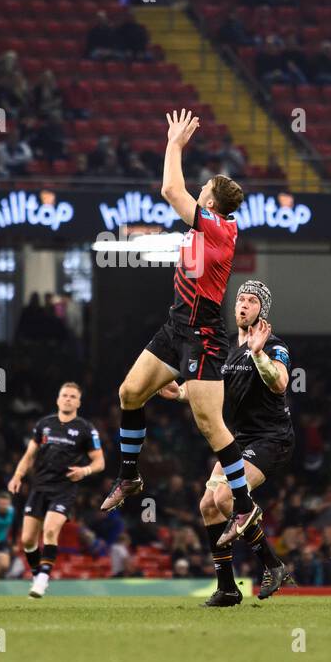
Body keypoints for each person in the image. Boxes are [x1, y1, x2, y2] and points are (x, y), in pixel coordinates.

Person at [99, 111, 256, 549]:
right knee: (129, 393)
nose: (197, 191)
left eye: (203, 190)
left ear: (210, 202)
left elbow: (170, 188)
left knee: (210, 424)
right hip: (176, 324)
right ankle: (129, 478)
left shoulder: (221, 228)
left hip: (204, 332)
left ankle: (243, 503)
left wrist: (174, 143)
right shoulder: (206, 225)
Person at [160, 281, 295, 606]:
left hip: (272, 438)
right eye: (240, 299)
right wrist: (178, 392)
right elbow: (208, 388)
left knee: (225, 497)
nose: (244, 305)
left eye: (251, 301)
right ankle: (228, 588)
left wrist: (259, 353)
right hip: (241, 439)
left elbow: (280, 384)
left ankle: (273, 566)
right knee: (208, 505)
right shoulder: (224, 348)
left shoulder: (275, 346)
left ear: (262, 309)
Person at [8, 382, 105, 598]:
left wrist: (85, 471)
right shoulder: (44, 424)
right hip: (39, 487)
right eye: (65, 395)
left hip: (64, 489)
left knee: (51, 530)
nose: (68, 399)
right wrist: (17, 476)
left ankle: (42, 580)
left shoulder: (86, 429)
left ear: (79, 402)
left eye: (73, 396)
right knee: (27, 540)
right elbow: (29, 455)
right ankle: (37, 574)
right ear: (58, 399)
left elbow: (100, 462)